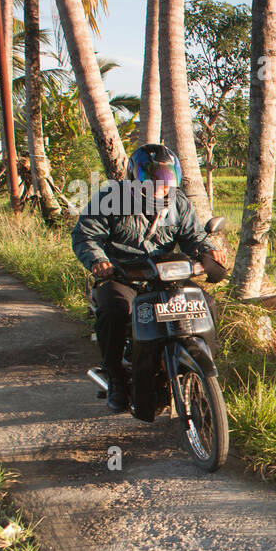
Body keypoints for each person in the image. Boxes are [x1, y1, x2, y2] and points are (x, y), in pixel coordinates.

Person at [71, 144, 228, 413]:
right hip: (122, 274)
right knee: (115, 310)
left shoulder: (178, 202)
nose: (159, 186)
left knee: (206, 303)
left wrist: (206, 252)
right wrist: (99, 261)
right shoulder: (111, 197)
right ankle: (117, 376)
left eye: (165, 179)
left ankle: (205, 367)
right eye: (152, 179)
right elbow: (86, 235)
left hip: (164, 275)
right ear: (135, 178)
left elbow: (193, 237)